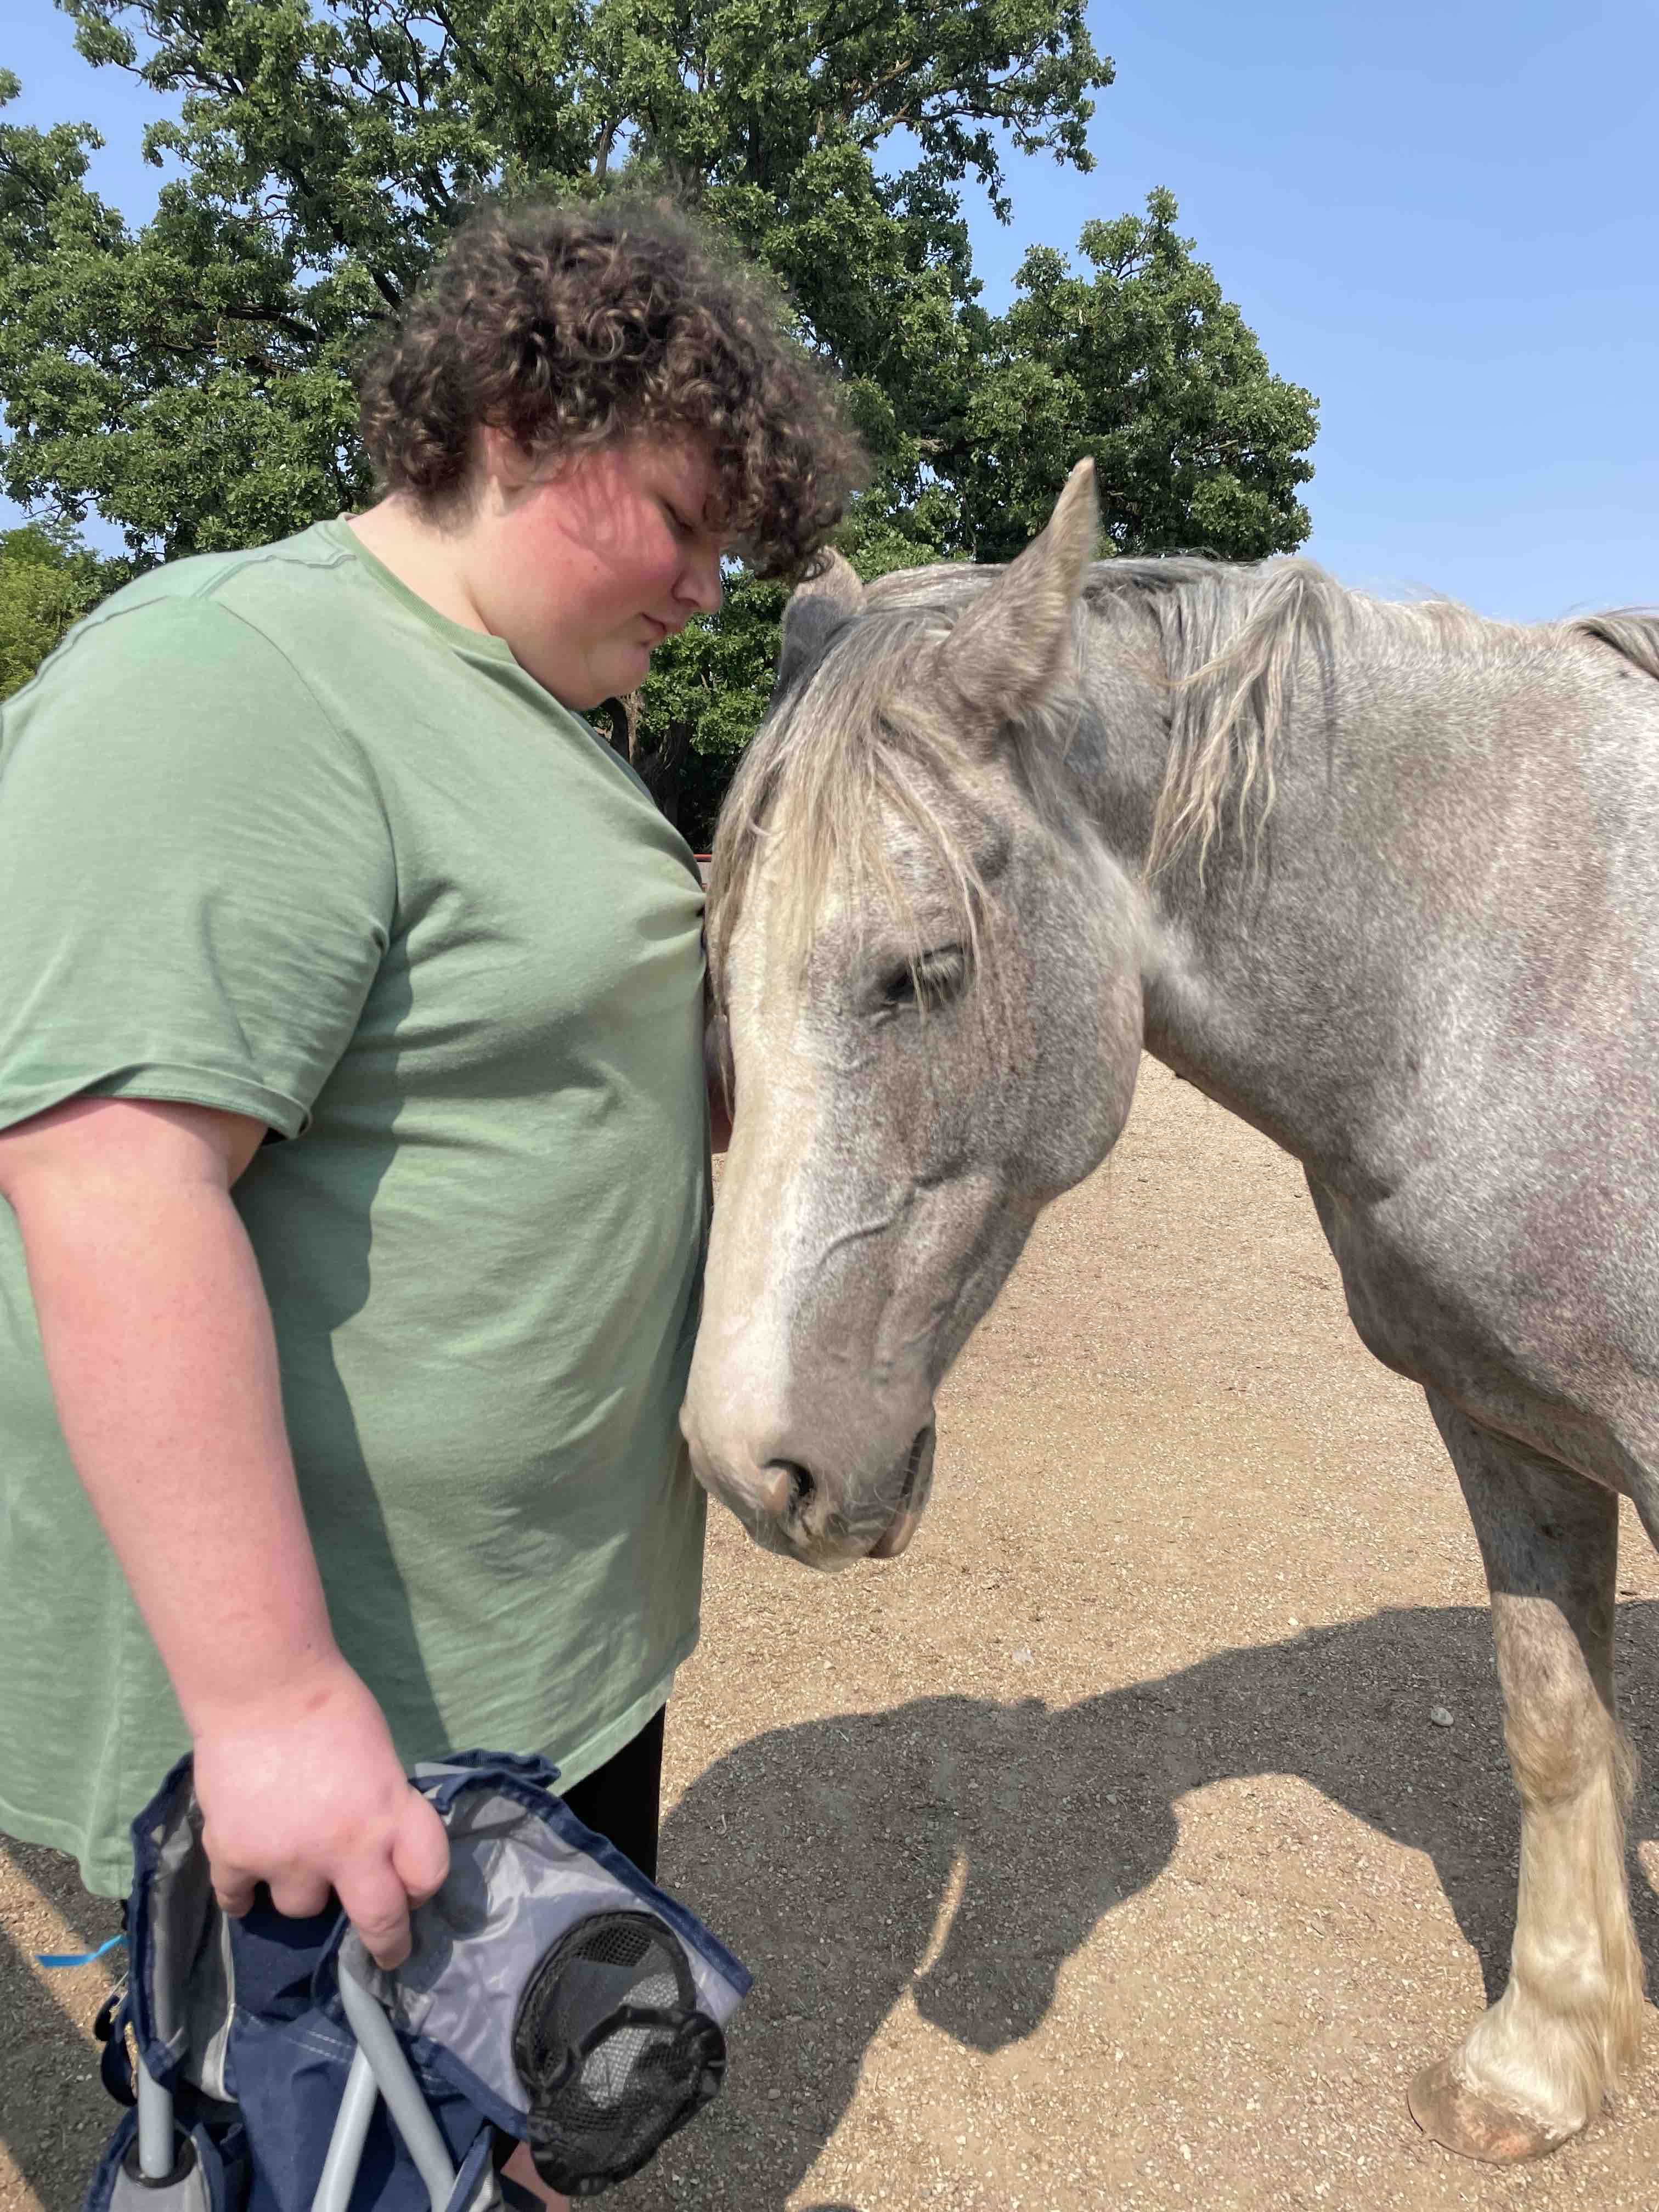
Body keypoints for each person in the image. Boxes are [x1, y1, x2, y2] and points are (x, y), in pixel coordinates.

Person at [0, 196, 860, 2196]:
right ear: (511, 413)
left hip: (544, 1654)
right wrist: (273, 1699)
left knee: (517, 2135)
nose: (715, 589)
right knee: (319, 2155)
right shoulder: (237, 676)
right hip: (351, 1698)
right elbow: (108, 1172)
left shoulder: (543, 717)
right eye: (686, 516)